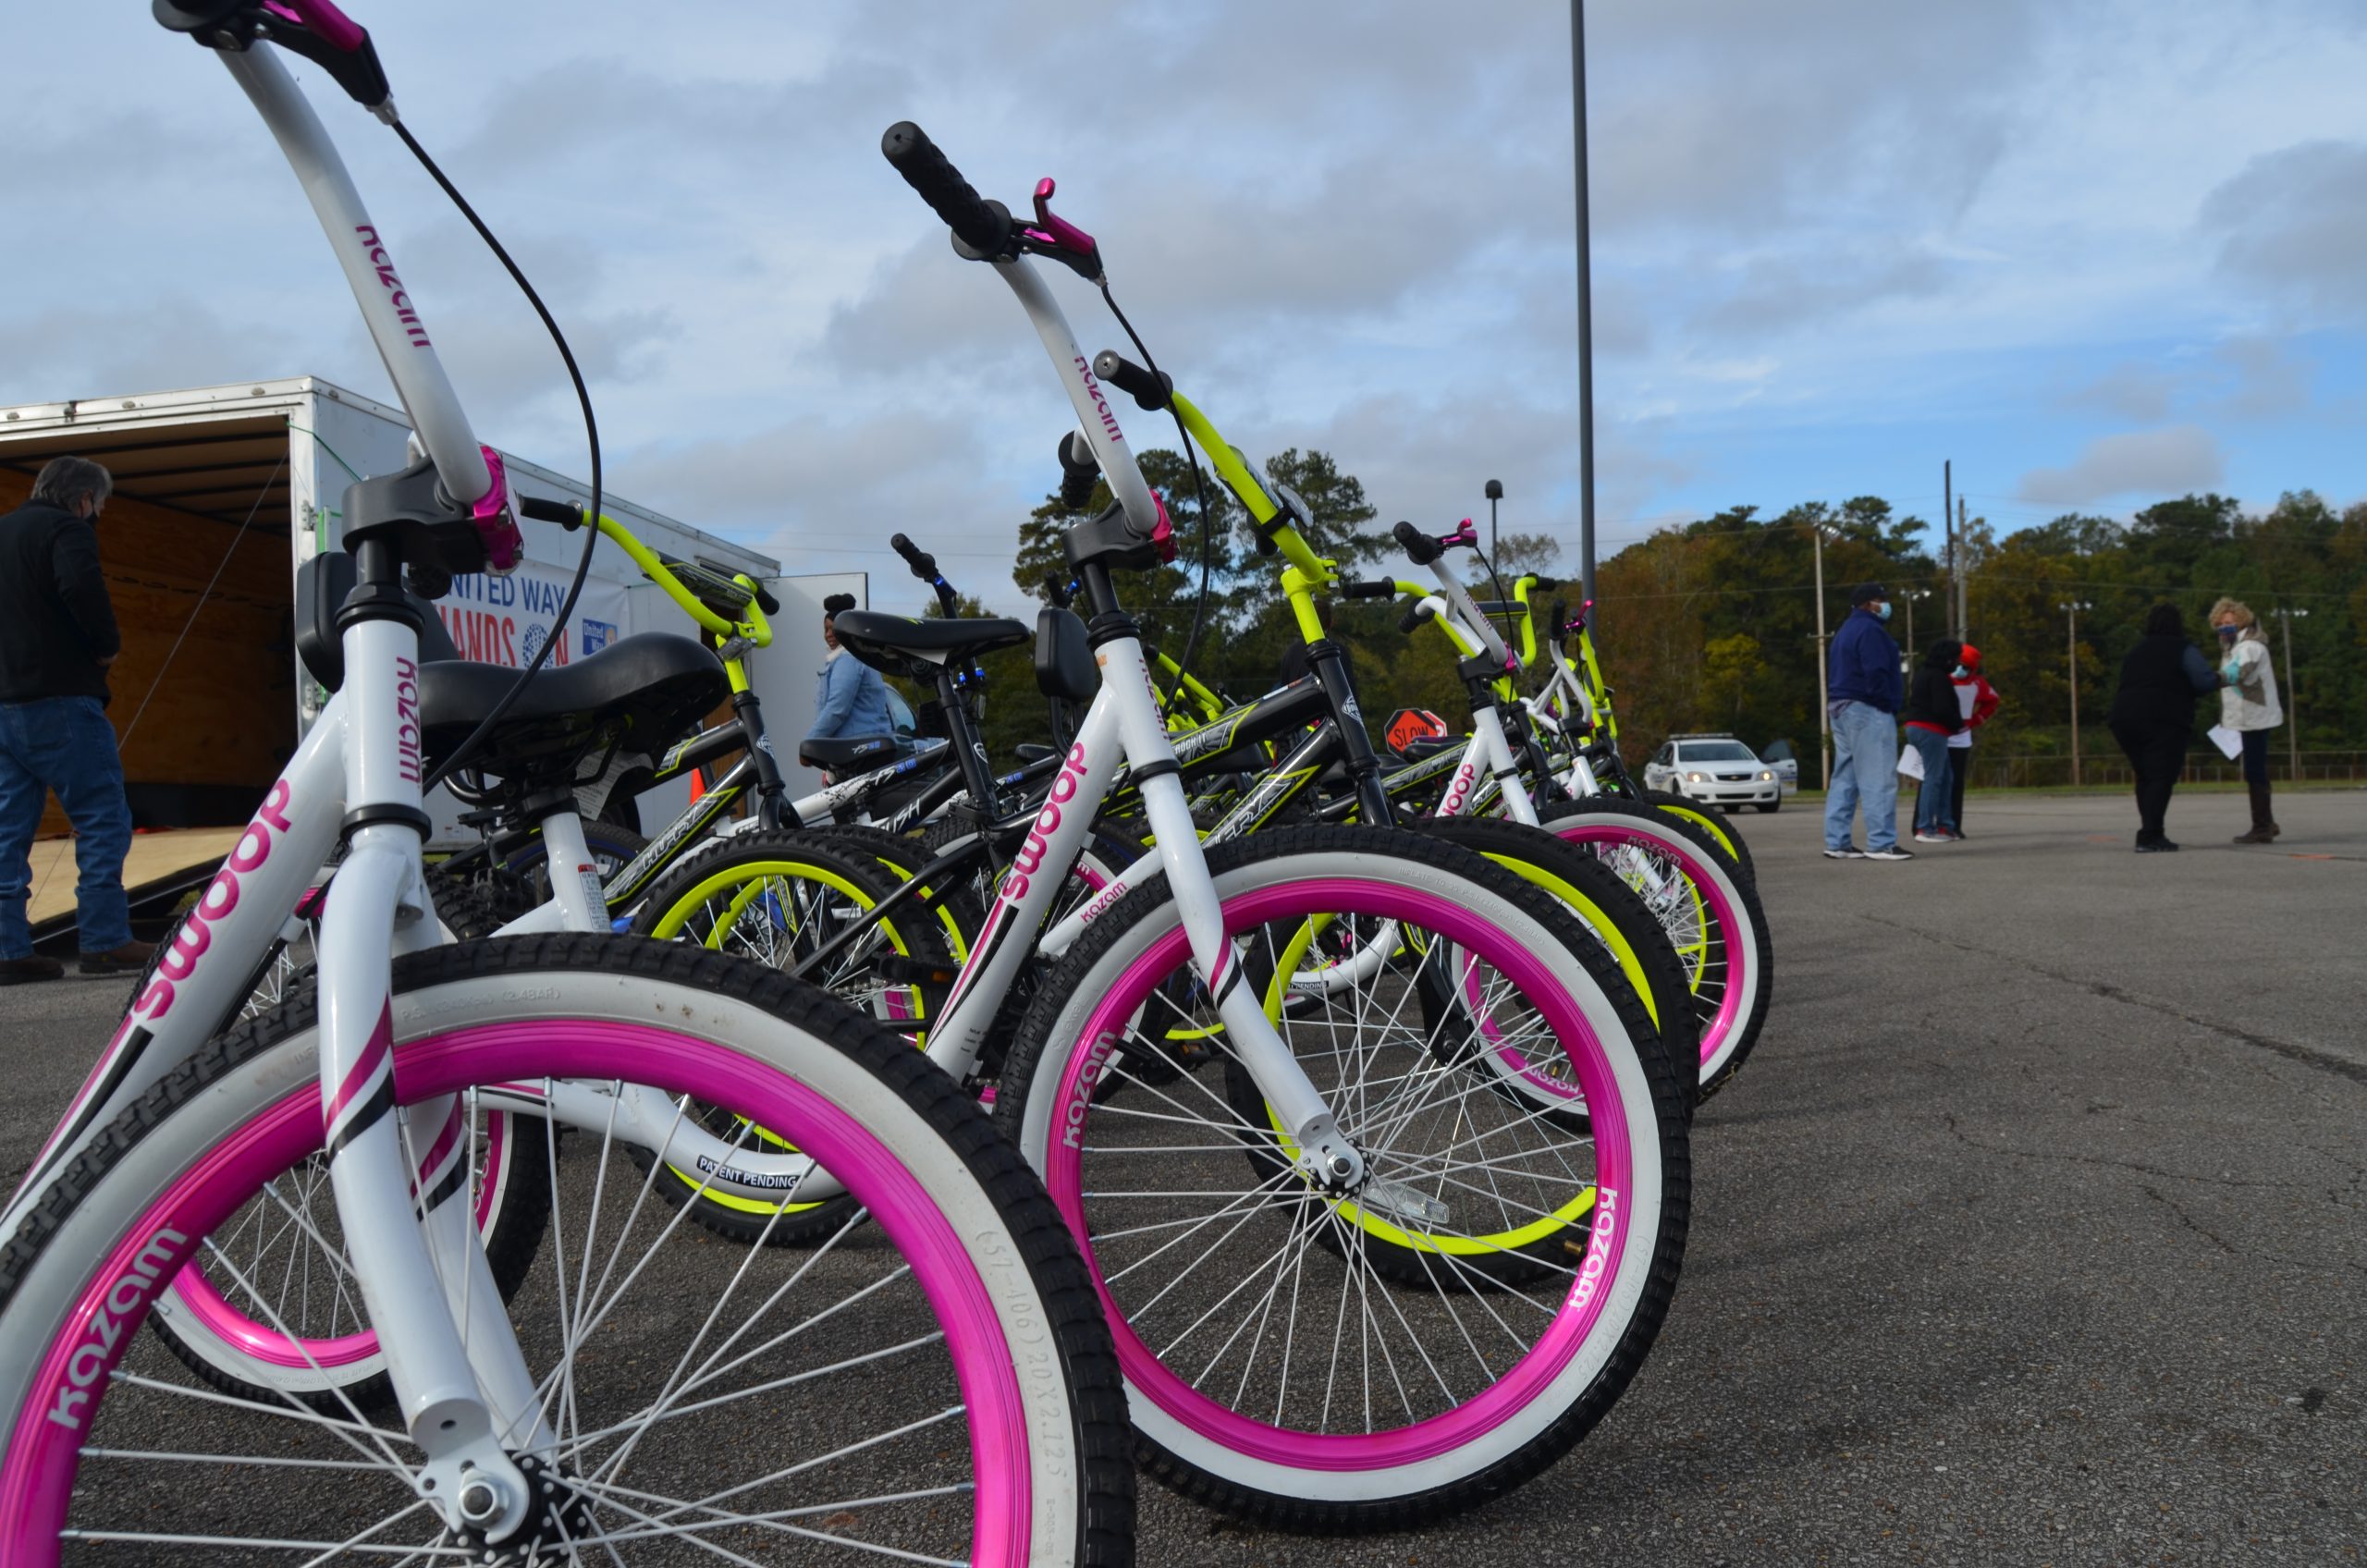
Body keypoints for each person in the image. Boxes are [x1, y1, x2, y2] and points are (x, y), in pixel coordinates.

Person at [0, 456, 155, 983]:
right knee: (102, 819)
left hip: (2, 705)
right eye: (101, 505)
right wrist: (106, 647)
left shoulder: (4, 531)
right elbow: (82, 588)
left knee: (7, 833)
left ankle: (9, 951)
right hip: (60, 699)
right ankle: (106, 941)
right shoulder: (67, 528)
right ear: (85, 499)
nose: (98, 514)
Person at [2106, 604, 2220, 852]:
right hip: (2163, 718)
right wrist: (2223, 678)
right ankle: (2149, 836)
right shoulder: (2183, 649)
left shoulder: (2135, 652)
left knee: (2145, 775)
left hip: (2123, 718)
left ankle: (2151, 831)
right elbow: (2204, 681)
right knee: (2161, 776)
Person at [1821, 582, 1914, 861]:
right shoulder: (1871, 630)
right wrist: (1885, 703)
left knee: (1845, 777)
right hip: (1867, 708)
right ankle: (1882, 843)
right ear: (1867, 604)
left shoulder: (1845, 631)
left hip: (1841, 707)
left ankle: (1837, 842)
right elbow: (1876, 671)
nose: (1885, 605)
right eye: (1880, 600)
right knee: (1878, 776)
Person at [2209, 598, 2283, 844]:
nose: (2223, 627)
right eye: (2219, 623)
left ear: (2241, 621)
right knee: (2254, 771)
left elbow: (2237, 672)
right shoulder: (2232, 647)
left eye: (2228, 623)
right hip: (2247, 718)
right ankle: (2266, 823)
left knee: (2255, 772)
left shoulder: (2249, 647)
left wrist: (2211, 679)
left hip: (2255, 718)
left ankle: (2262, 826)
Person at [804, 591, 892, 755]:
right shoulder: (857, 656)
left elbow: (837, 709)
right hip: (864, 748)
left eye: (833, 629)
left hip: (860, 750)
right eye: (825, 629)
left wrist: (811, 743)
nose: (828, 635)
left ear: (845, 630)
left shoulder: (848, 660)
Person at [1901, 639, 1966, 843]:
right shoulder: (1939, 678)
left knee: (1946, 777)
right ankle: (1925, 828)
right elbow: (1942, 708)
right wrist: (1958, 723)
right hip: (1931, 729)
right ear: (1947, 658)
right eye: (1955, 658)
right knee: (1933, 778)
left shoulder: (1923, 674)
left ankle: (1945, 825)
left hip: (1918, 727)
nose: (1957, 663)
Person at [1946, 643, 1999, 838]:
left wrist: (1978, 719)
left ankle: (1954, 824)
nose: (1960, 670)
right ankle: (1931, 823)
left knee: (1956, 783)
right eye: (1958, 665)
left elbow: (1992, 700)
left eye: (1966, 667)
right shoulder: (1943, 679)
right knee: (1935, 781)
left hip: (1961, 737)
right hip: (1939, 736)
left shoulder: (1977, 684)